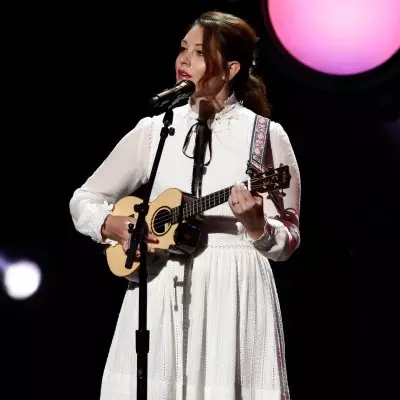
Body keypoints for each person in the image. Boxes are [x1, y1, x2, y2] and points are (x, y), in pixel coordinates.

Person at [69, 10, 301, 400]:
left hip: (233, 293)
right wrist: (115, 226)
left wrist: (259, 226)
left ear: (229, 69)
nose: (184, 61)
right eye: (183, 50)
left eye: (198, 52)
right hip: (160, 284)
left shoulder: (266, 136)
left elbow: (289, 236)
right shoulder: (156, 129)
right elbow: (85, 199)